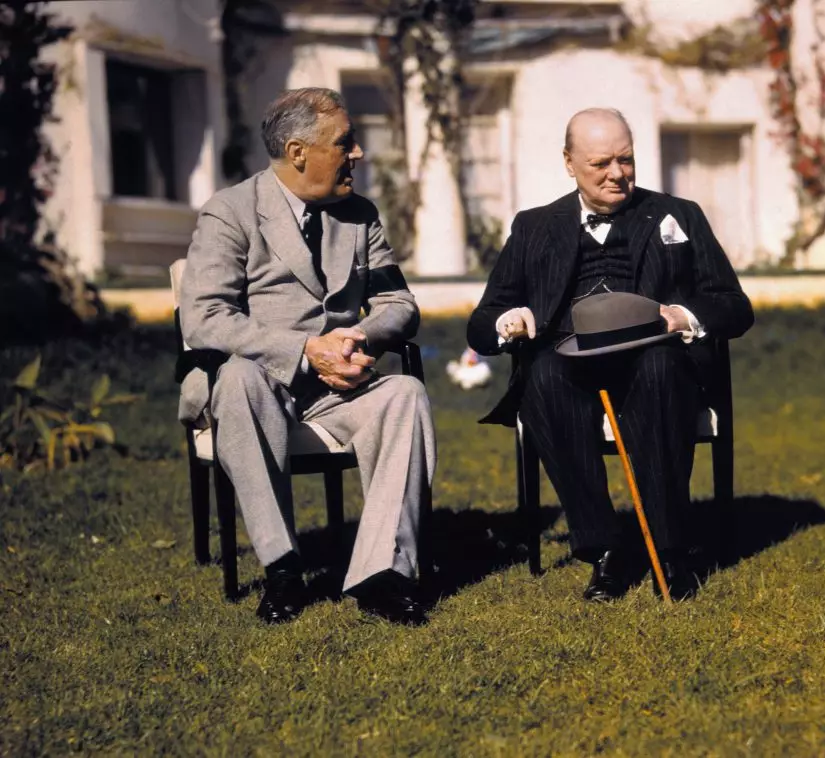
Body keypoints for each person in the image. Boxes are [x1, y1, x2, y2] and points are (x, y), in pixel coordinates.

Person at [466, 108, 754, 601]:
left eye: (626, 159)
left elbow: (734, 305)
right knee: (542, 377)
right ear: (569, 162)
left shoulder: (677, 215)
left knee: (660, 365)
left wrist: (681, 316)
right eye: (601, 163)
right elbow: (482, 319)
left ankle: (670, 550)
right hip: (568, 362)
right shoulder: (535, 226)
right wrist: (507, 320)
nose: (617, 174)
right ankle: (605, 549)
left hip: (655, 359)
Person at [179, 88, 435, 625]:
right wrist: (303, 350)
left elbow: (399, 304)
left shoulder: (359, 215)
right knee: (239, 380)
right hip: (262, 382)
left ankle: (382, 574)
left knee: (406, 393)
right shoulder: (230, 212)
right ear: (299, 152)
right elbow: (203, 317)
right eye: (346, 143)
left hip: (339, 387)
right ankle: (283, 569)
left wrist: (356, 340)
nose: (358, 154)